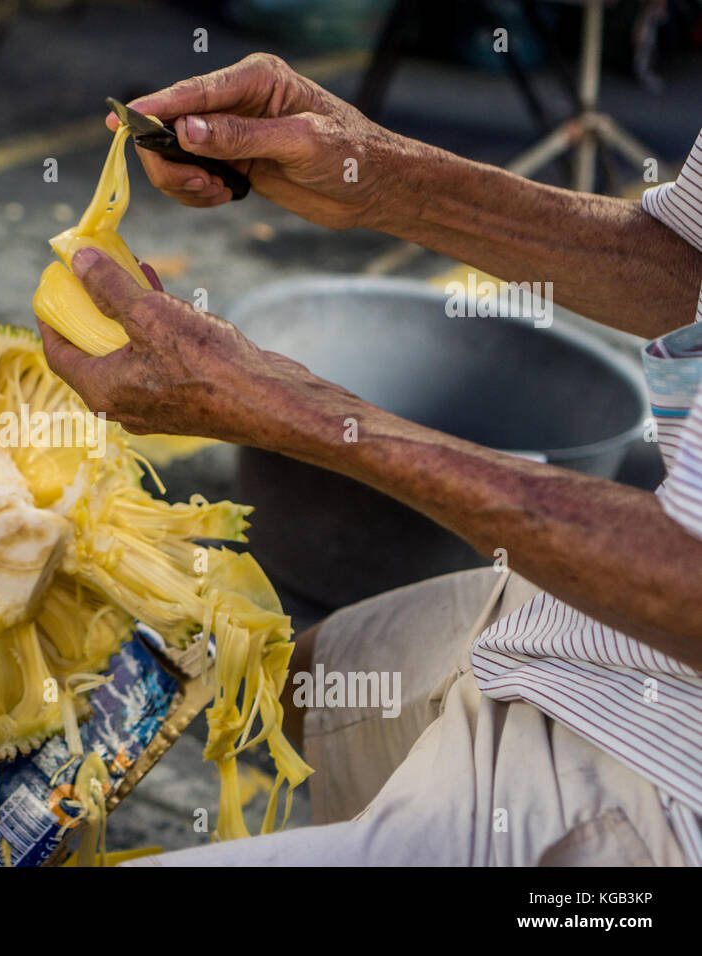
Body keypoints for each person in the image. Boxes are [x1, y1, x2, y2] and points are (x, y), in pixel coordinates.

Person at [39, 54, 702, 866]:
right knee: (310, 685)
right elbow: (684, 265)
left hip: (666, 792)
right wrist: (380, 175)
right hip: (604, 628)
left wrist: (294, 411)